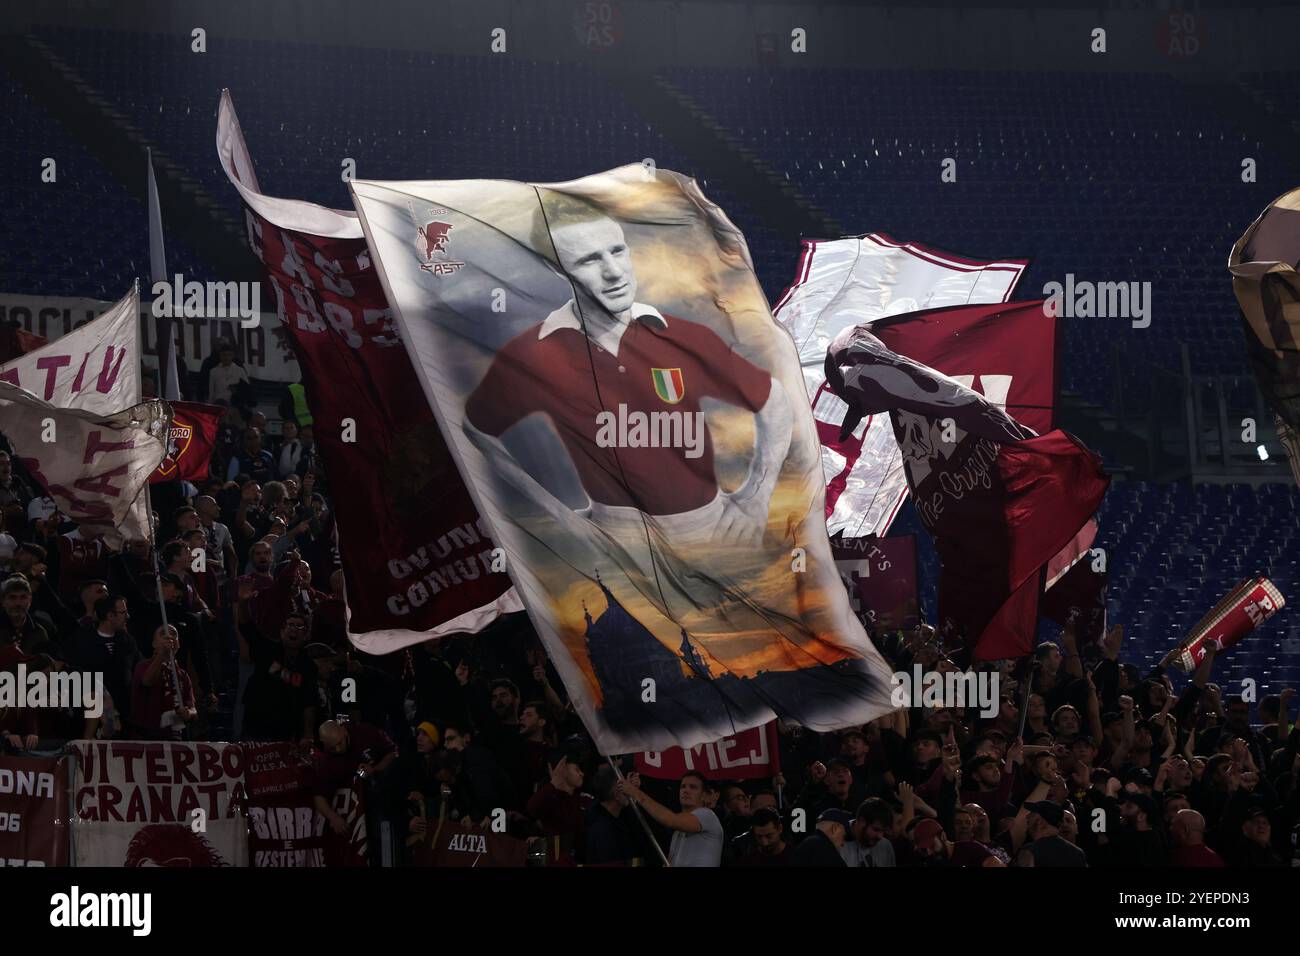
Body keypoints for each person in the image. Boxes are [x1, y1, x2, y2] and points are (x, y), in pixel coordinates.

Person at [462, 193, 793, 616]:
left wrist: (757, 497)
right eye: (588, 261)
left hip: (711, 530)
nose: (614, 271)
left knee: (750, 651)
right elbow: (476, 431)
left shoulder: (682, 337)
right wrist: (562, 518)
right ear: (555, 269)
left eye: (617, 250)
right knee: (650, 663)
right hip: (615, 541)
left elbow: (774, 399)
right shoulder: (532, 354)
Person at [617, 770, 723, 867]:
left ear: (704, 795)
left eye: (693, 787)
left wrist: (635, 792)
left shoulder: (707, 815)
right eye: (683, 786)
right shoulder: (677, 833)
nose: (686, 790)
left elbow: (669, 820)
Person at [131, 625, 197, 740]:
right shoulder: (143, 666)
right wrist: (162, 654)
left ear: (178, 644)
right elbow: (147, 682)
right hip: (147, 738)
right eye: (163, 634)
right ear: (154, 644)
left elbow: (193, 709)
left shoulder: (183, 675)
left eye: (173, 634)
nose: (169, 637)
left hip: (175, 737)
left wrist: (188, 713)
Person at [1023, 801, 1087, 867]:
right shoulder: (1078, 853)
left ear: (1040, 822)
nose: (1027, 817)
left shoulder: (1029, 851)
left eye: (1032, 814)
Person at [840, 798, 896, 867]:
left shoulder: (885, 846)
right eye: (876, 829)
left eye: (883, 831)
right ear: (861, 821)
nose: (880, 836)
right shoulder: (838, 845)